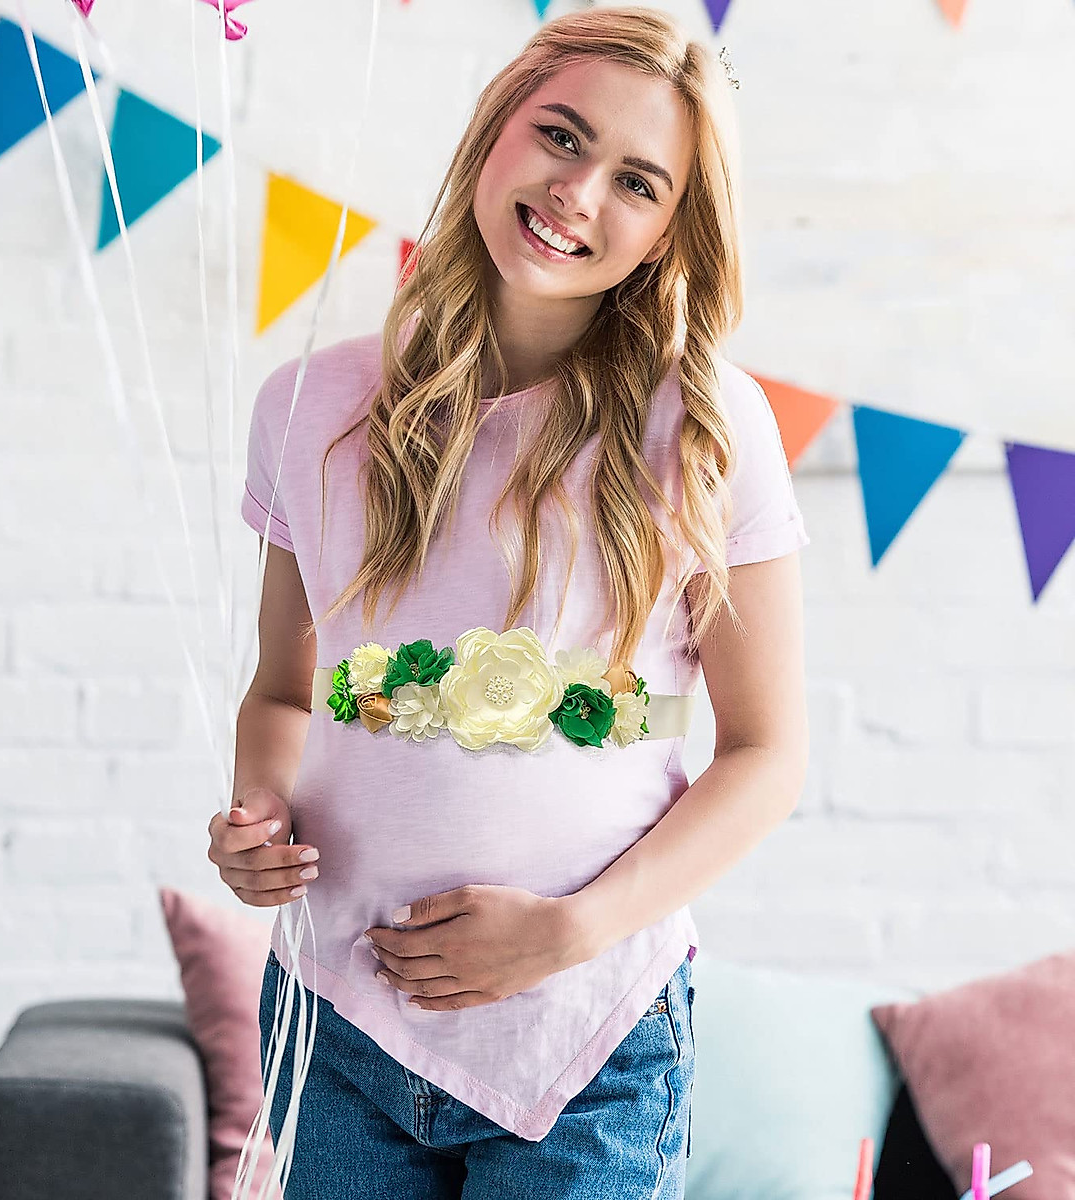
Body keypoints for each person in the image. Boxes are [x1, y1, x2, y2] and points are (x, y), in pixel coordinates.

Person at [206, 6, 810, 1198]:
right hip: (336, 1021)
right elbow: (282, 694)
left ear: (671, 230)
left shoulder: (706, 430)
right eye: (562, 136)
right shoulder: (307, 409)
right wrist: (260, 816)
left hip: (587, 1035)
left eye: (637, 181)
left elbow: (766, 755)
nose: (578, 193)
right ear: (496, 129)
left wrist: (570, 931)